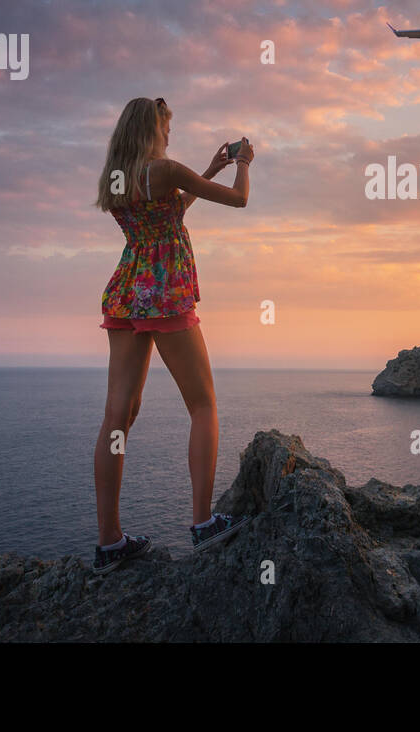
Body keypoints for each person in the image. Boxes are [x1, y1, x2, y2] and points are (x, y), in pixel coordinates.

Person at [90, 96, 254, 574]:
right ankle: (204, 523)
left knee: (118, 416)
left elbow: (169, 211)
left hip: (127, 290)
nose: (170, 134)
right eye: (167, 125)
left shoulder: (118, 177)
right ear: (152, 128)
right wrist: (242, 163)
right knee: (203, 405)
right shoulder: (163, 168)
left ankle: (108, 542)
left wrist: (208, 168)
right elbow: (241, 200)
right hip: (165, 293)